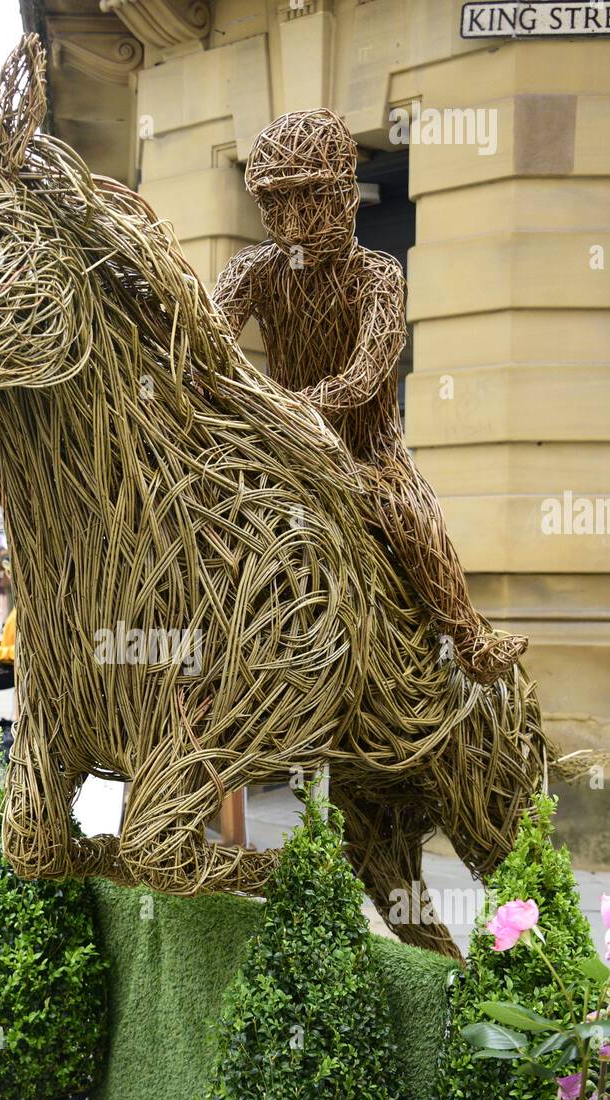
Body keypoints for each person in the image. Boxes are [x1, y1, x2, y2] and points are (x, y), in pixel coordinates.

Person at [213, 110, 527, 686]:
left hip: (366, 451)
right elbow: (207, 348)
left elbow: (364, 377)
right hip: (277, 445)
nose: (293, 221)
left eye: (309, 198)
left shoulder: (377, 277)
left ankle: (468, 636)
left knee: (409, 514)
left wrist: (290, 405)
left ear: (343, 193)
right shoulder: (252, 271)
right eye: (276, 203)